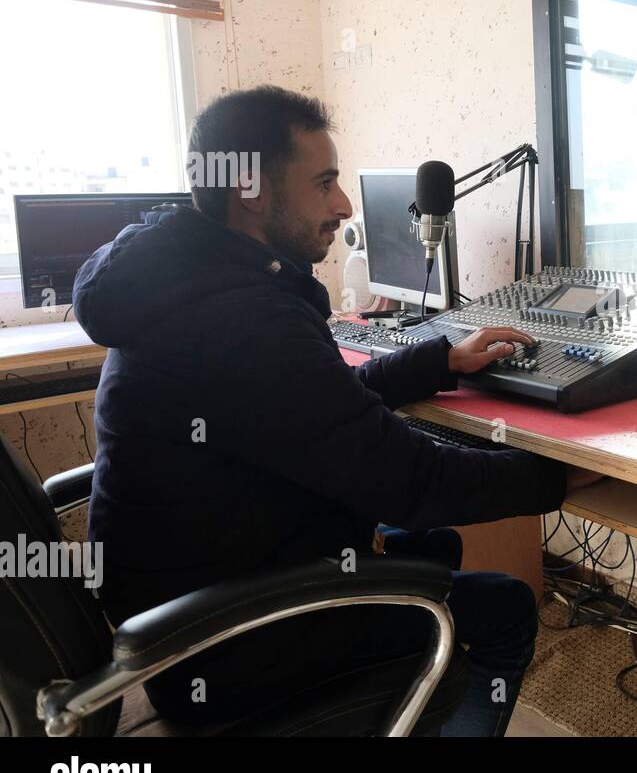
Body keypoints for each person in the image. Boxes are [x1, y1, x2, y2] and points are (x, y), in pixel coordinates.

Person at [73, 84, 599, 735]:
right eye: (323, 183)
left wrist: (438, 362)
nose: (343, 205)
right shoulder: (239, 313)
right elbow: (409, 482)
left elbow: (312, 410)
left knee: (434, 549)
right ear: (250, 188)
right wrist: (560, 477)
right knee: (504, 606)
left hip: (190, 601)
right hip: (227, 641)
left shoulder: (189, 277)